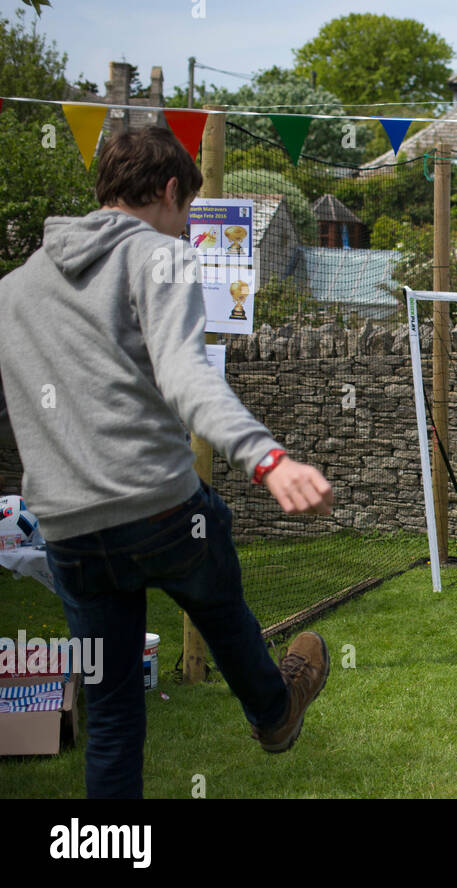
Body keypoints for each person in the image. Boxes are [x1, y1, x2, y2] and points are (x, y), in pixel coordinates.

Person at [0, 127, 334, 798]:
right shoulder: (161, 258)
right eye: (186, 217)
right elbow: (186, 374)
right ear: (173, 190)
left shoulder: (16, 287)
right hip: (157, 507)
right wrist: (266, 458)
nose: (185, 232)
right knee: (217, 589)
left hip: (67, 530)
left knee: (115, 714)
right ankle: (273, 710)